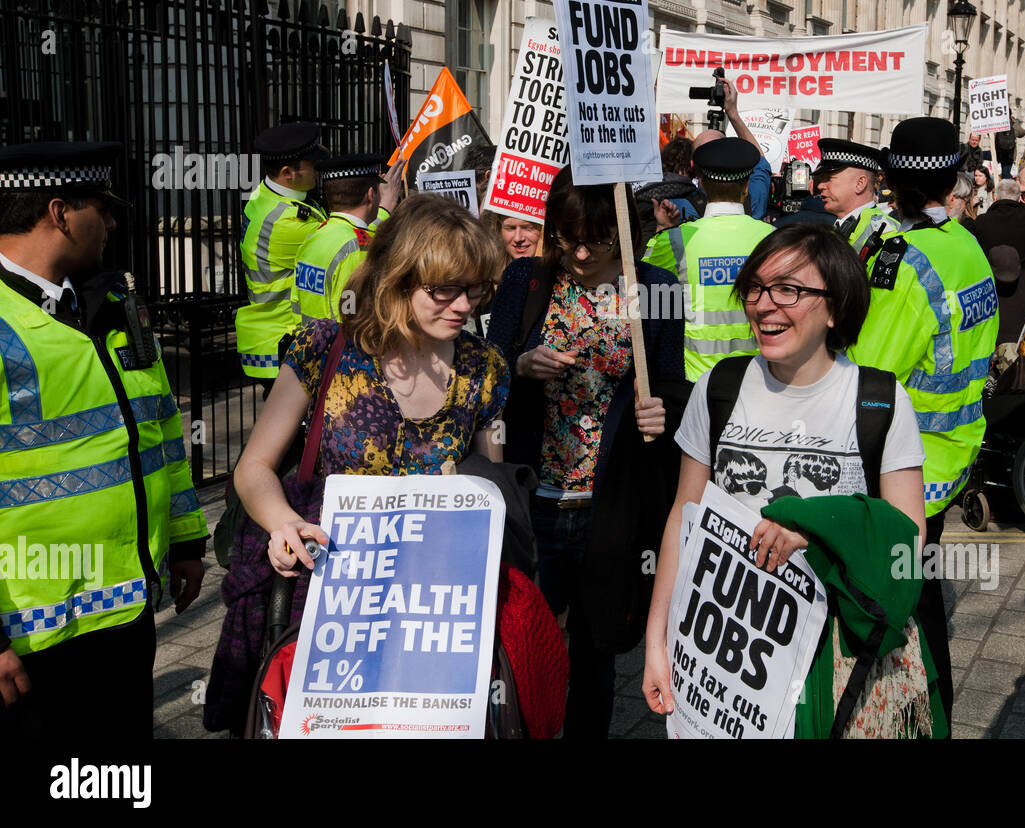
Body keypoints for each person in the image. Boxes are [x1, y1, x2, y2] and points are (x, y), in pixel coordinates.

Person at [641, 224, 939, 737]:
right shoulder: (718, 387)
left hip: (834, 658)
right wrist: (658, 638)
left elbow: (909, 541)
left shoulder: (879, 401)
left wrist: (816, 530)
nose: (764, 305)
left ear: (836, 307)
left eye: (790, 290)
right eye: (755, 287)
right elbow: (682, 519)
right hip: (725, 654)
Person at [0, 141, 207, 737]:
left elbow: (164, 430)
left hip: (125, 610)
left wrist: (188, 539)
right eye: (103, 208)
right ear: (60, 212)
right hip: (32, 634)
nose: (113, 222)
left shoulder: (115, 304)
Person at [487, 169, 684, 738]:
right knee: (523, 640)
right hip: (534, 497)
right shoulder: (526, 279)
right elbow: (487, 367)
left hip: (608, 502)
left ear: (621, 233)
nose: (577, 251)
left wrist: (662, 410)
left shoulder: (656, 286)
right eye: (566, 234)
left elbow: (668, 382)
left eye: (595, 238)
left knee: (597, 651)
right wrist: (521, 366)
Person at [234, 194, 510, 576]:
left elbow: (490, 492)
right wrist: (285, 523)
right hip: (335, 584)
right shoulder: (323, 347)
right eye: (445, 289)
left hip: (437, 587)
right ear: (398, 278)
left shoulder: (485, 365)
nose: (464, 305)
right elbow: (254, 467)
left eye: (475, 288)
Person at [846, 117, 1000, 725]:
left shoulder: (904, 262)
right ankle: (933, 709)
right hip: (951, 454)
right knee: (921, 592)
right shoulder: (965, 243)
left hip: (900, 464)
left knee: (898, 604)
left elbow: (867, 371)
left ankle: (917, 713)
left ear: (889, 180)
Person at [643, 137, 773, 381]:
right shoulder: (774, 240)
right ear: (746, 186)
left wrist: (662, 231)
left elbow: (639, 295)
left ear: (701, 184)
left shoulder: (674, 240)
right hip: (757, 379)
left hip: (695, 383)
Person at [236, 122, 329, 389]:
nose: (318, 169)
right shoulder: (285, 222)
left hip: (269, 337)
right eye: (312, 163)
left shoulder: (263, 196)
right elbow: (343, 242)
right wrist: (382, 208)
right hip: (280, 343)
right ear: (288, 172)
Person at [290, 154, 400, 325]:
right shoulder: (356, 248)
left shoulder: (315, 237)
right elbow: (352, 315)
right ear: (371, 195)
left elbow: (298, 302)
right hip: (341, 349)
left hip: (310, 343)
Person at [691, 79, 772, 221]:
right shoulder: (753, 205)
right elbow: (760, 164)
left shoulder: (680, 213)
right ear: (746, 186)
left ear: (695, 169)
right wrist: (733, 114)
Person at [813, 137, 900, 253]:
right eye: (821, 179)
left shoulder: (887, 233)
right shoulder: (836, 226)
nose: (820, 186)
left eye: (829, 178)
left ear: (860, 183)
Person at [974, 178, 1025, 271]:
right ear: (1018, 199)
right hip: (1024, 276)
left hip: (993, 276)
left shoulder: (981, 221)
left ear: (995, 198)